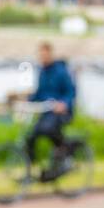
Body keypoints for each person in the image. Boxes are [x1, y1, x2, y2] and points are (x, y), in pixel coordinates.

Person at [25, 41, 77, 181]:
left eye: (45, 54)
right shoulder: (42, 72)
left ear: (50, 54)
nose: (43, 57)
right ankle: (31, 169)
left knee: (48, 129)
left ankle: (65, 152)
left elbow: (71, 90)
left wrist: (64, 103)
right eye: (40, 55)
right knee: (30, 136)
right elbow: (39, 93)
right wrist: (26, 100)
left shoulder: (61, 71)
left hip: (61, 113)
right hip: (46, 112)